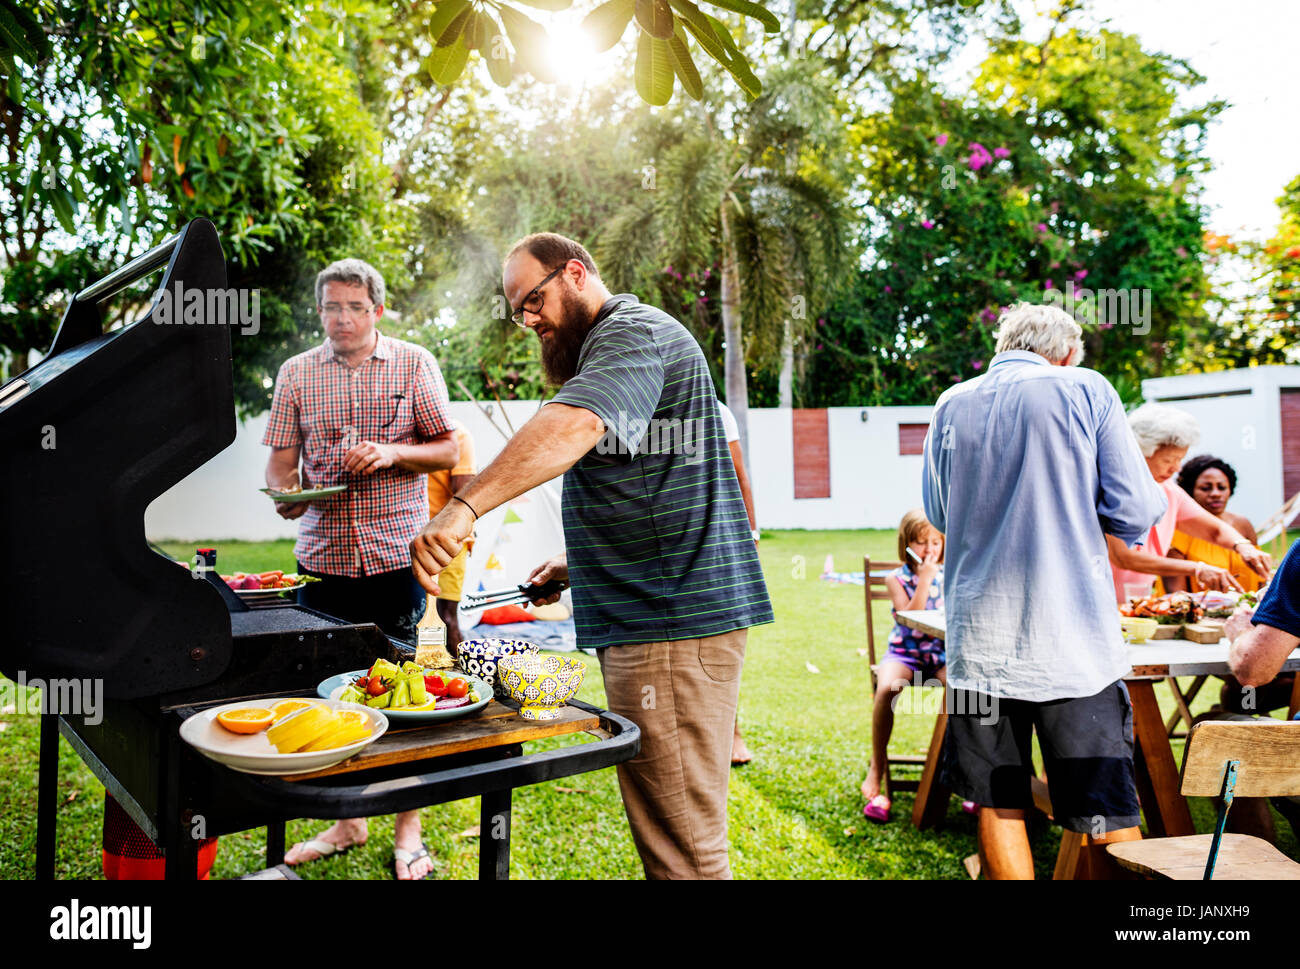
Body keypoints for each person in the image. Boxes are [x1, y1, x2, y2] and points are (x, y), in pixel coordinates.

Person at [411, 232, 773, 879]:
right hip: (664, 618)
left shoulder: (629, 331)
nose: (531, 321)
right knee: (678, 836)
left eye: (535, 300)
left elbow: (575, 424)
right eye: (519, 310)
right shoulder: (621, 344)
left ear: (576, 273)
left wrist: (465, 506)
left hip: (670, 626)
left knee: (684, 849)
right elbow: (663, 487)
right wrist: (574, 564)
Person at [922, 302, 1167, 880]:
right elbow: (1132, 511)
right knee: (1102, 803)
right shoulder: (1084, 388)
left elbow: (939, 513)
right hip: (1072, 646)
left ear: (1003, 347)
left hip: (979, 645)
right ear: (1064, 354)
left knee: (1000, 795)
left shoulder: (951, 402)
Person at [263, 257, 459, 880]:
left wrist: (393, 451)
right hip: (320, 562)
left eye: (354, 306)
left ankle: (409, 833)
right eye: (331, 307)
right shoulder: (296, 373)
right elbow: (279, 467)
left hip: (397, 558)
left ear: (376, 310)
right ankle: (348, 821)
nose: (342, 318)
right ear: (319, 311)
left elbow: (449, 448)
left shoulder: (413, 362)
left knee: (404, 695)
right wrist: (287, 493)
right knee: (327, 691)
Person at [1108, 405, 1271, 602]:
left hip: (1132, 601)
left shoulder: (1168, 490)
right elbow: (1124, 557)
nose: (1175, 468)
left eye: (1180, 459)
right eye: (1170, 459)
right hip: (1099, 598)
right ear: (1140, 453)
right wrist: (1198, 569)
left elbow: (1214, 530)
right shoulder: (1113, 488)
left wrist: (1243, 546)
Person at [861, 509, 944, 822]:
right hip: (904, 654)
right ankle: (877, 770)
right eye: (921, 542)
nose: (929, 550)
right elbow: (912, 623)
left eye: (935, 542)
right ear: (906, 544)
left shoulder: (953, 574)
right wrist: (925, 580)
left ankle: (962, 775)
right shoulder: (895, 578)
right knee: (887, 689)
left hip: (940, 653)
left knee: (968, 693)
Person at [718, 399, 759, 766]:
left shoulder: (717, 411)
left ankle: (733, 733)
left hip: (719, 550)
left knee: (722, 650)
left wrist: (752, 535)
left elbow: (738, 474)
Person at [1163, 455, 1265, 595]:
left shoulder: (1243, 525)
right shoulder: (1178, 530)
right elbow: (1177, 595)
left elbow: (1261, 580)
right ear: (1190, 492)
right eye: (1206, 488)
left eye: (1222, 487)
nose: (1216, 494)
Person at [426, 419, 478, 652]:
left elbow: (464, 494)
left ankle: (463, 679)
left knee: (444, 618)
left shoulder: (459, 435)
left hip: (448, 540)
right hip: (418, 541)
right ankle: (435, 676)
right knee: (431, 620)